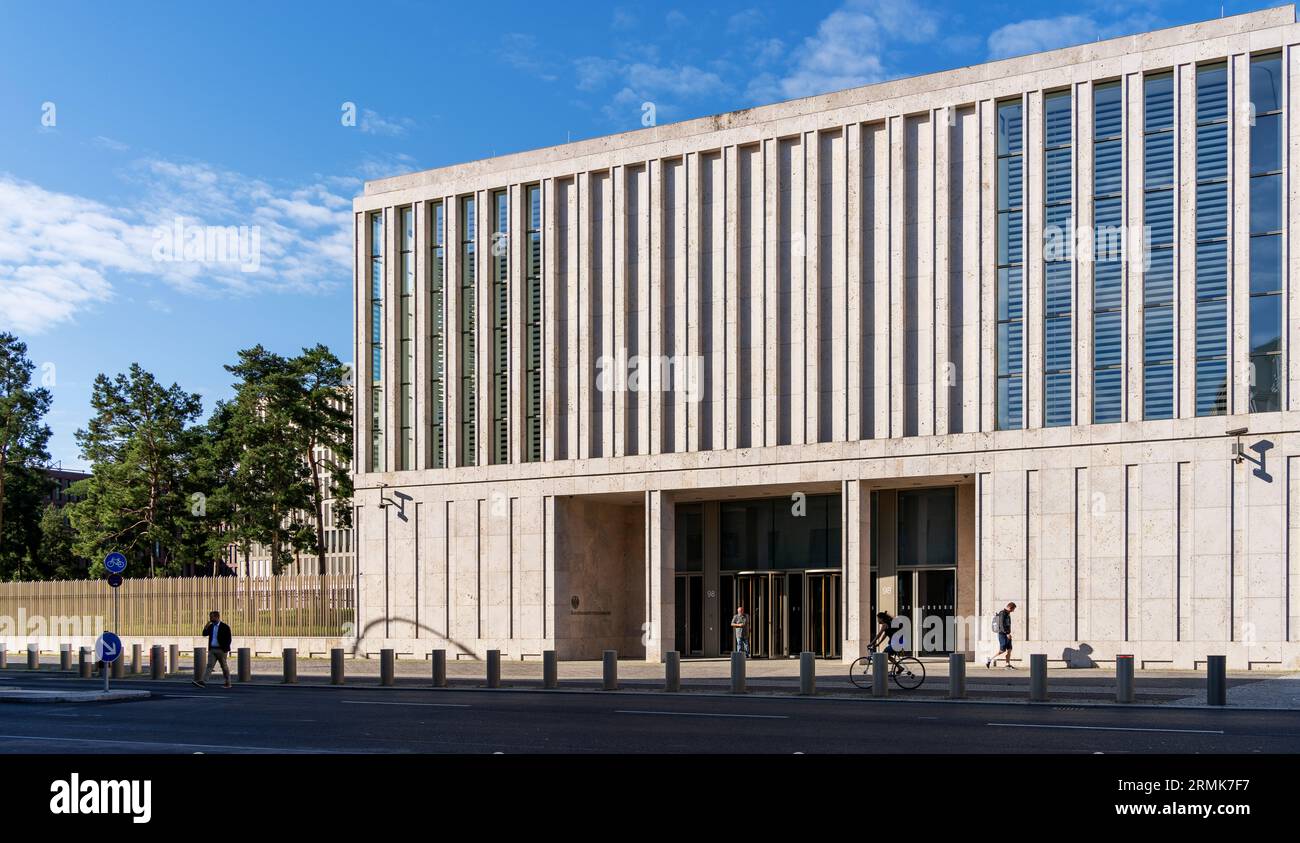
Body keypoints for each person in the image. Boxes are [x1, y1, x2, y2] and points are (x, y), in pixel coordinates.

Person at [194, 610, 233, 688]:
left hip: (221, 650)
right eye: (210, 617)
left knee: (224, 666)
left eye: (212, 617)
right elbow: (204, 634)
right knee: (209, 666)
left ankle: (228, 683)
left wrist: (225, 649)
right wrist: (206, 626)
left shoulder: (225, 627)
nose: (210, 618)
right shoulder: (211, 626)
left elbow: (229, 639)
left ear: (217, 617)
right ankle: (203, 682)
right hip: (212, 650)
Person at [986, 602, 1016, 669]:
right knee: (1002, 650)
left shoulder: (1008, 614)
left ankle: (1007, 664)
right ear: (1009, 607)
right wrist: (1007, 633)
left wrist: (1009, 633)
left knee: (1009, 649)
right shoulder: (1002, 613)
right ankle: (989, 659)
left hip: (1008, 634)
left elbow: (1008, 624)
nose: (1013, 611)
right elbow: (1001, 625)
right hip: (1002, 634)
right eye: (1013, 609)